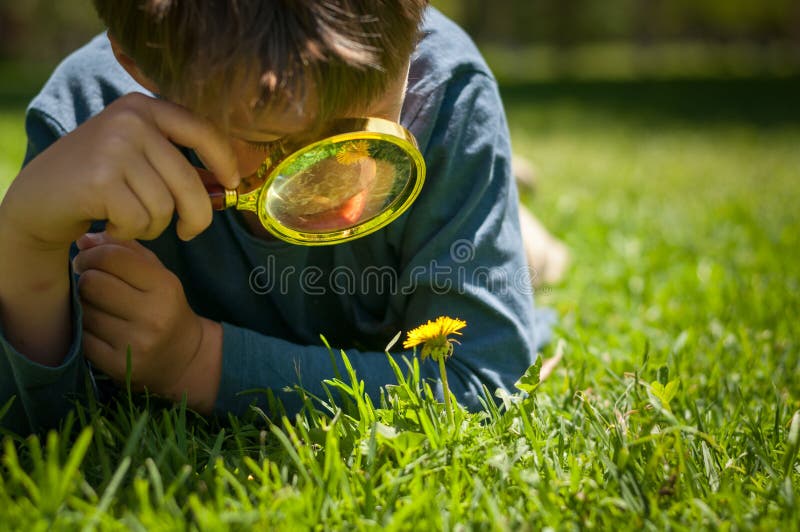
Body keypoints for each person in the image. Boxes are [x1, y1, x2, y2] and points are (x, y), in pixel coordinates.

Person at [0, 1, 555, 434]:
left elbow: (479, 378)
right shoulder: (83, 123)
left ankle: (522, 229)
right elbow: (39, 426)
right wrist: (24, 246)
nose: (349, 188)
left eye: (375, 127)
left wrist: (197, 361)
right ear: (140, 66)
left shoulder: (442, 96)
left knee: (529, 262)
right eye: (273, 139)